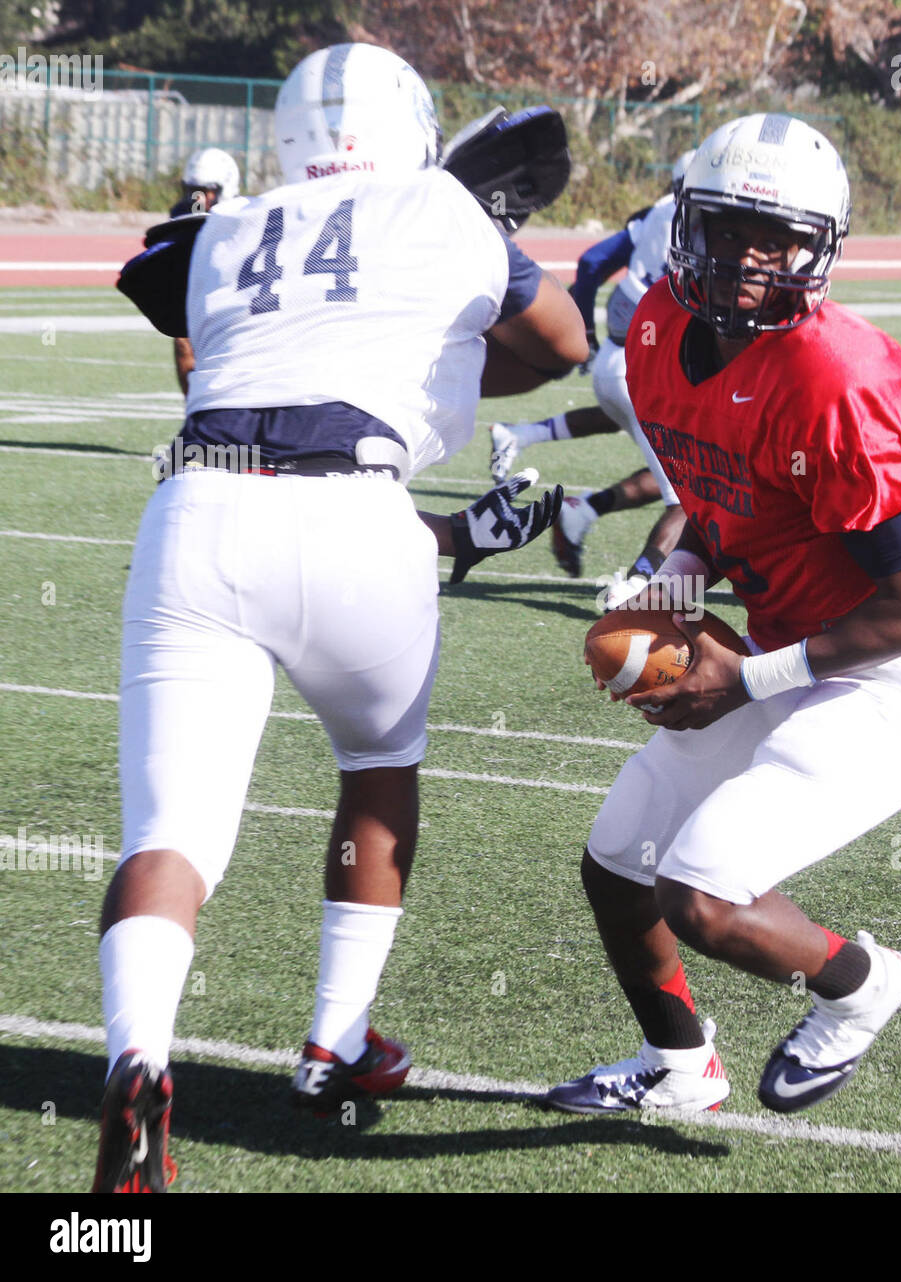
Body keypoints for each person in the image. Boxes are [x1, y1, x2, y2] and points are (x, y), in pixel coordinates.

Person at [94, 41, 587, 1193]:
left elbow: (237, 352)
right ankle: (337, 1039)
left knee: (169, 835)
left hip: (200, 509)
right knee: (374, 772)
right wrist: (459, 323)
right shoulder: (442, 205)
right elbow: (562, 342)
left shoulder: (225, 228)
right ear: (408, 123)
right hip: (358, 511)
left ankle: (136, 1054)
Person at [545, 114, 901, 1117]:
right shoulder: (655, 328)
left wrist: (743, 677)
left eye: (779, 237)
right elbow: (719, 490)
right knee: (617, 862)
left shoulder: (835, 376)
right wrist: (680, 580)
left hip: (889, 674)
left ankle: (864, 985)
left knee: (701, 894)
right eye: (733, 225)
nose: (751, 256)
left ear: (818, 249)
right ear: (687, 218)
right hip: (783, 639)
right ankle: (680, 1065)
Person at [489, 152, 697, 586]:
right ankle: (637, 590)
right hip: (647, 371)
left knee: (677, 461)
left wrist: (582, 327)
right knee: (689, 499)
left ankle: (582, 508)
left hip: (617, 364)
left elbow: (593, 262)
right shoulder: (708, 233)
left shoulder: (658, 212)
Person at [169, 149, 243, 397]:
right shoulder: (181, 213)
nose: (197, 198)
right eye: (193, 190)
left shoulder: (244, 216)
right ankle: (194, 412)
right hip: (198, 288)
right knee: (182, 342)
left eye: (205, 190)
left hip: (234, 295)